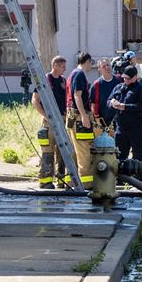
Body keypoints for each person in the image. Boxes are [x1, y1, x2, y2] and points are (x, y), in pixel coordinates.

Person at [32, 55, 68, 189]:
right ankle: (46, 181)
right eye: (63, 66)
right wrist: (46, 116)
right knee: (48, 152)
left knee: (63, 152)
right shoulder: (44, 81)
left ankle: (61, 181)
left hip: (63, 122)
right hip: (49, 124)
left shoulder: (64, 81)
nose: (65, 69)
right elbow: (34, 100)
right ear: (55, 66)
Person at [65, 52, 95, 189]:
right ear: (87, 61)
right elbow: (78, 96)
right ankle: (86, 184)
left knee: (74, 150)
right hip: (78, 117)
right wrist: (84, 115)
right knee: (84, 151)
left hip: (72, 116)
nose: (91, 66)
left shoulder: (72, 74)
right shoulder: (80, 74)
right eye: (91, 63)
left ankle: (72, 181)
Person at [109, 65, 142, 163]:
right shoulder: (119, 87)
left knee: (139, 156)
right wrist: (112, 102)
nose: (125, 80)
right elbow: (109, 100)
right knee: (119, 156)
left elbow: (141, 107)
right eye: (124, 78)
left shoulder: (141, 89)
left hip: (136, 128)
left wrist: (125, 107)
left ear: (135, 77)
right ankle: (121, 178)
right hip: (121, 128)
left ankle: (141, 178)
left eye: (128, 78)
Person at [89, 58, 121, 136]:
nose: (107, 67)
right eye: (104, 66)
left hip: (117, 121)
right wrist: (97, 121)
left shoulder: (119, 82)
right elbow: (92, 104)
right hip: (101, 122)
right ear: (99, 69)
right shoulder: (96, 85)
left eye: (108, 65)